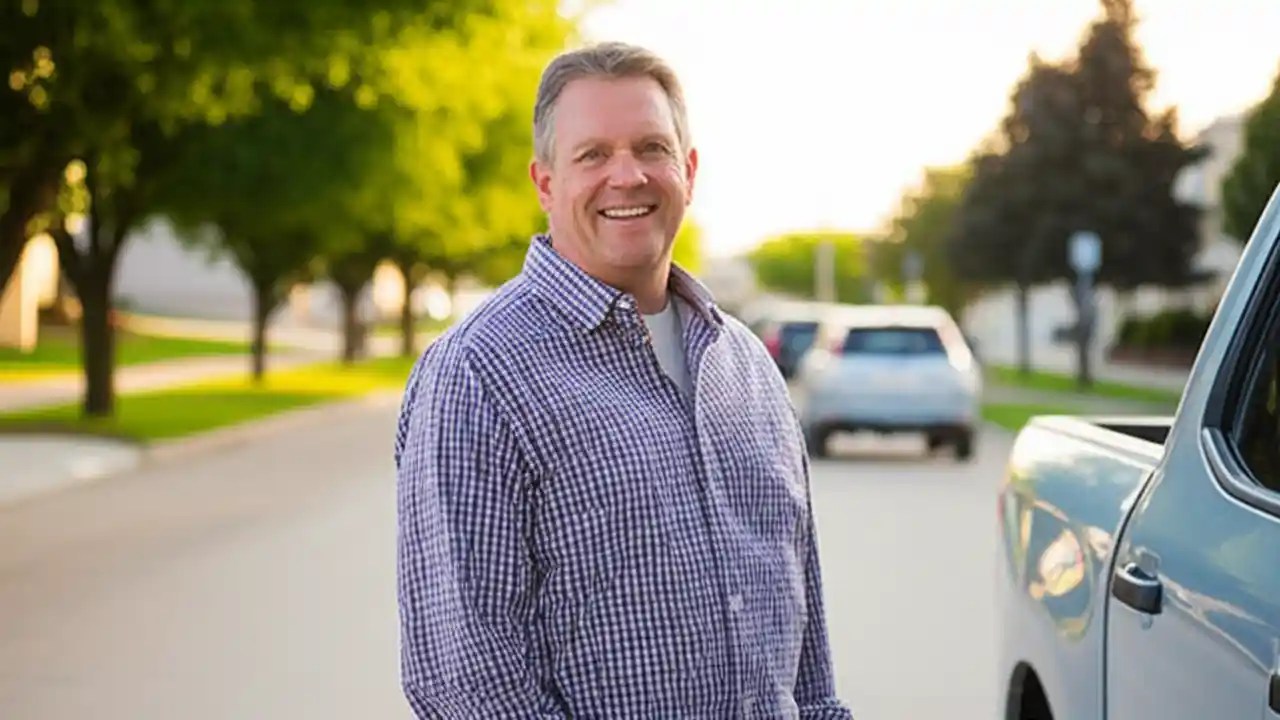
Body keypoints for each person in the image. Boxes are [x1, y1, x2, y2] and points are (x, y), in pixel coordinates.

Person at [394, 40, 854, 719]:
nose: (627, 176)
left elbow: (805, 647)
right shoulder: (477, 373)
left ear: (688, 171)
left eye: (651, 148)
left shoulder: (748, 368)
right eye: (593, 155)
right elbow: (470, 683)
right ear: (546, 183)